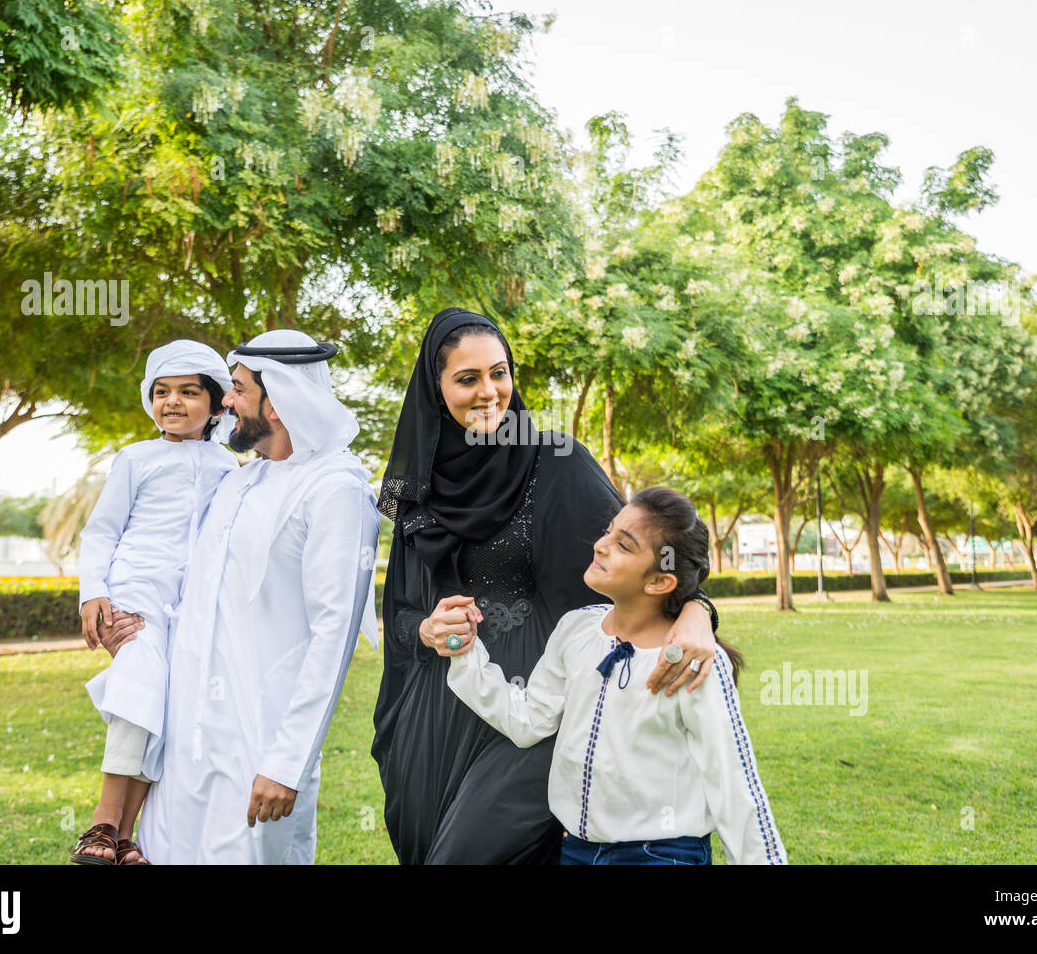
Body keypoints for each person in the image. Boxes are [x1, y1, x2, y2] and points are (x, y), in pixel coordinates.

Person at [372, 306, 722, 864]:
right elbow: (403, 615)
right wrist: (431, 628)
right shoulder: (422, 484)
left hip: (536, 711)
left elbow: (648, 560)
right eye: (467, 379)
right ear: (437, 390)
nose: (490, 392)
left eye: (500, 372)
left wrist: (697, 608)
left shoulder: (555, 462)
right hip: (442, 705)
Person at [123, 329, 381, 864]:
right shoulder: (237, 483)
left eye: (238, 388)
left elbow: (333, 637)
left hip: (259, 751)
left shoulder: (336, 488)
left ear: (281, 400)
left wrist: (287, 762)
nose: (227, 401)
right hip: (183, 747)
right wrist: (129, 619)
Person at [447, 486, 787, 865]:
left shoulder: (692, 662)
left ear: (659, 582)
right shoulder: (576, 629)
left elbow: (735, 784)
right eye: (608, 530)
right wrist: (466, 655)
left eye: (624, 545)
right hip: (575, 850)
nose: (601, 545)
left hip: (660, 855)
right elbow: (529, 719)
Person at [69, 339, 239, 865]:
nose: (173, 402)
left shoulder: (230, 467)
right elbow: (101, 531)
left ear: (216, 404)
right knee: (140, 688)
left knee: (165, 710)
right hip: (134, 596)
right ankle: (102, 822)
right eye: (162, 391)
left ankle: (124, 838)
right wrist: (93, 594)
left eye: (189, 392)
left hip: (190, 609)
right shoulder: (135, 458)